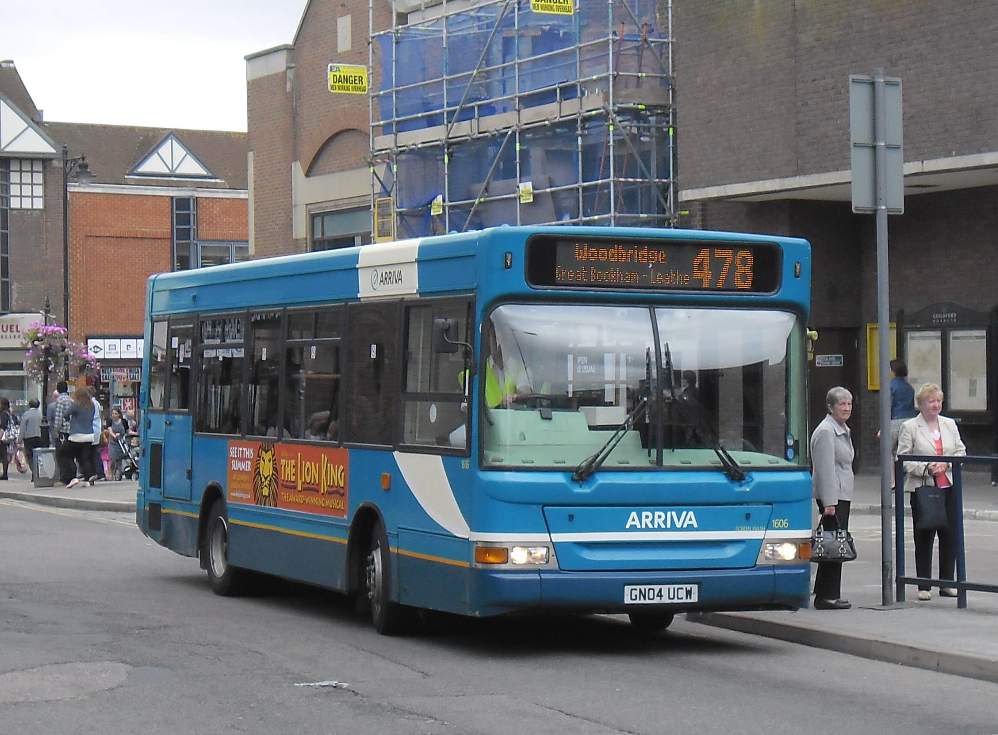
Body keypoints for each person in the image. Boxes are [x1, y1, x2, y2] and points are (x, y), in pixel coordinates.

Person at [896, 382, 967, 601]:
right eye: (931, 401)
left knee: (950, 535)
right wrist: (927, 467)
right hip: (923, 488)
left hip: (948, 486)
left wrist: (947, 465)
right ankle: (923, 584)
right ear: (920, 404)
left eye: (938, 401)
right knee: (924, 535)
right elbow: (903, 458)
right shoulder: (910, 427)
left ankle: (947, 583)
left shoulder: (949, 424)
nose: (935, 405)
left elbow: (961, 450)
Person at [809, 386, 855, 610]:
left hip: (840, 494)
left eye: (849, 404)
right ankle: (827, 596)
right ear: (830, 407)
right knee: (834, 545)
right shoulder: (827, 431)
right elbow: (824, 468)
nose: (846, 408)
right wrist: (829, 503)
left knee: (833, 544)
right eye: (842, 404)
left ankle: (826, 592)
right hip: (834, 497)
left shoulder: (840, 428)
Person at [64, 386, 97, 488]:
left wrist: (68, 419)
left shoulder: (76, 404)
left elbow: (66, 414)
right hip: (89, 435)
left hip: (76, 435)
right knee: (84, 458)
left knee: (65, 454)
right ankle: (88, 478)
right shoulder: (92, 405)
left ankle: (72, 477)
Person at [47, 382, 75, 484]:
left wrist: (56, 431)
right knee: (70, 454)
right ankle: (72, 475)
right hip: (72, 431)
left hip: (63, 432)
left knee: (61, 454)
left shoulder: (60, 401)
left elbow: (58, 418)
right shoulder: (71, 400)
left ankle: (64, 478)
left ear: (58, 390)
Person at [888, 359, 917, 455]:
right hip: (910, 420)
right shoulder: (909, 387)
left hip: (895, 421)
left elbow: (888, 406)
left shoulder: (890, 386)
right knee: (904, 451)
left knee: (888, 451)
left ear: (893, 371)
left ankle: (891, 470)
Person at [20, 399, 43, 480]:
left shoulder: (26, 414)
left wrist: (19, 439)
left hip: (28, 438)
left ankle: (34, 472)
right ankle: (38, 473)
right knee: (38, 456)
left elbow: (22, 428)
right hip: (39, 437)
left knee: (30, 456)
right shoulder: (40, 413)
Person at [0, 397, 19, 480]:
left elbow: (3, 427)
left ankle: (4, 474)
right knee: (5, 455)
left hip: (3, 437)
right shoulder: (11, 414)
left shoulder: (3, 414)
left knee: (4, 455)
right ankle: (5, 473)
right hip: (8, 437)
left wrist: (0, 436)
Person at [89, 389, 106, 481]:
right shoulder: (97, 403)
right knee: (95, 452)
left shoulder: (91, 403)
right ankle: (99, 472)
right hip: (97, 429)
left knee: (93, 452)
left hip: (92, 429)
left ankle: (97, 473)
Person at [108, 408, 127, 481]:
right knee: (113, 458)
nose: (114, 415)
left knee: (119, 459)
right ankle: (111, 472)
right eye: (113, 413)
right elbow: (110, 430)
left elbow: (127, 430)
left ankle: (119, 473)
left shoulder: (123, 421)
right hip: (113, 442)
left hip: (121, 442)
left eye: (116, 413)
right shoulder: (110, 421)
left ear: (119, 414)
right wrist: (114, 435)